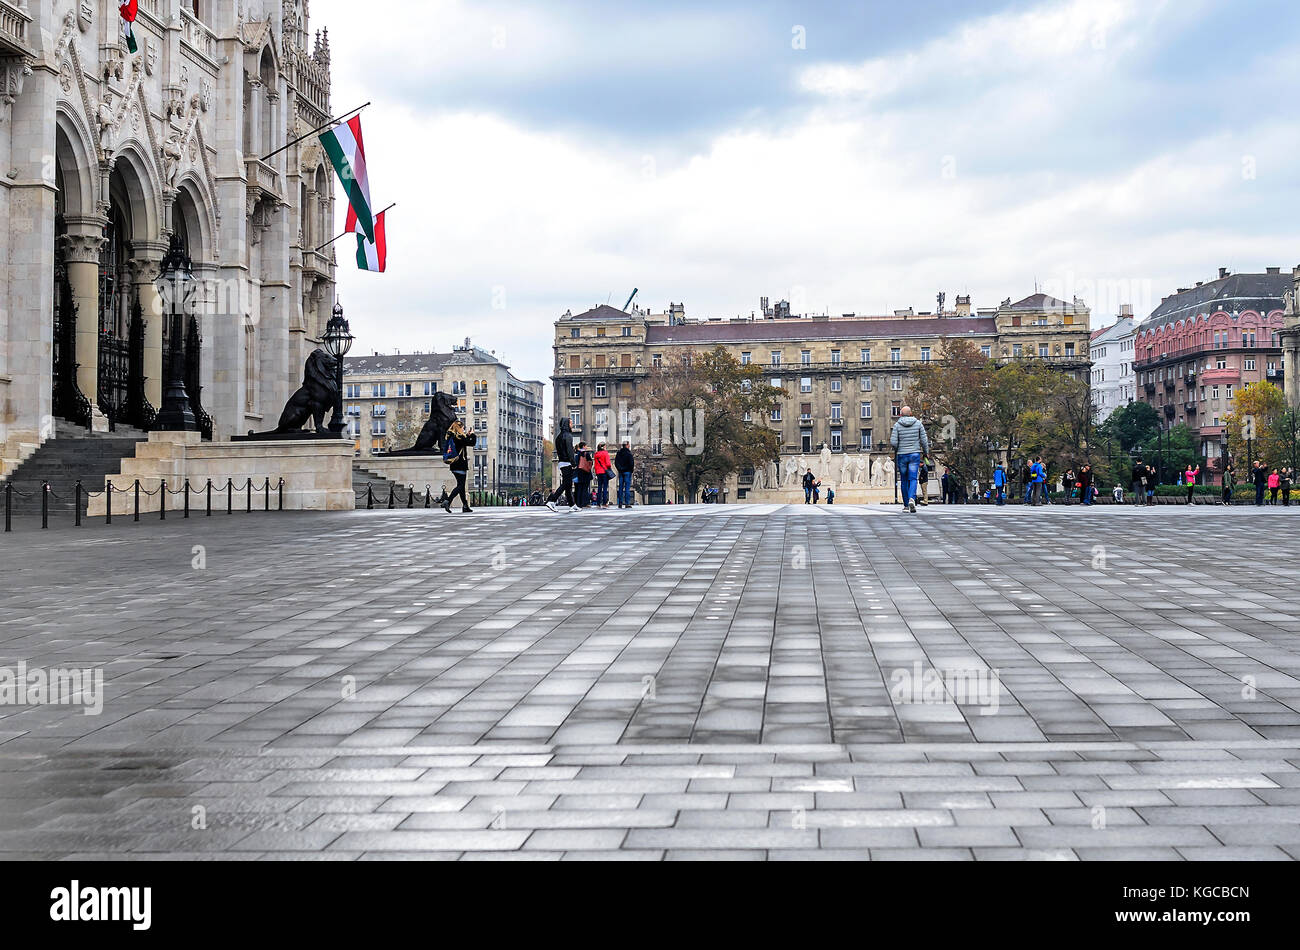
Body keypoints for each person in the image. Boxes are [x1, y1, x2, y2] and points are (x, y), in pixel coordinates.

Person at [889, 405, 930, 514]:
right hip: (914, 455)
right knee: (913, 478)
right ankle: (912, 498)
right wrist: (926, 452)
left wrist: (897, 448)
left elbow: (893, 442)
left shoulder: (897, 425)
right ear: (911, 414)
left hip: (902, 455)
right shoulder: (918, 424)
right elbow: (924, 440)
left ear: (900, 414)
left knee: (903, 480)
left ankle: (906, 505)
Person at [441, 420, 476, 513]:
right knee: (460, 486)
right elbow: (472, 443)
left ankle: (465, 506)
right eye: (463, 428)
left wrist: (467, 435)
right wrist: (472, 434)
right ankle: (448, 500)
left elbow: (464, 442)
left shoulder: (452, 436)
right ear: (459, 428)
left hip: (454, 464)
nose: (464, 429)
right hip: (460, 464)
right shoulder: (459, 437)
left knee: (461, 486)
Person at [545, 418, 576, 512]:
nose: (572, 424)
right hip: (567, 462)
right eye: (571, 423)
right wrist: (573, 463)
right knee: (566, 484)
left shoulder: (558, 437)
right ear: (567, 424)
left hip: (561, 462)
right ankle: (552, 500)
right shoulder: (568, 436)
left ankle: (572, 505)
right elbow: (570, 451)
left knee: (568, 485)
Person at [593, 442, 613, 508]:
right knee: (605, 488)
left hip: (598, 472)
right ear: (604, 447)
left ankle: (598, 503)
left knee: (599, 488)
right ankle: (604, 503)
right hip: (604, 472)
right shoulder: (605, 453)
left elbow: (595, 465)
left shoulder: (596, 454)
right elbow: (608, 464)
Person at [615, 440, 634, 508]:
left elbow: (616, 463)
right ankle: (627, 503)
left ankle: (620, 503)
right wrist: (630, 470)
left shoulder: (619, 453)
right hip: (627, 472)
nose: (629, 446)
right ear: (627, 445)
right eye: (629, 445)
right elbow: (631, 463)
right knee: (627, 488)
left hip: (621, 472)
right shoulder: (629, 453)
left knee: (620, 488)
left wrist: (620, 469)